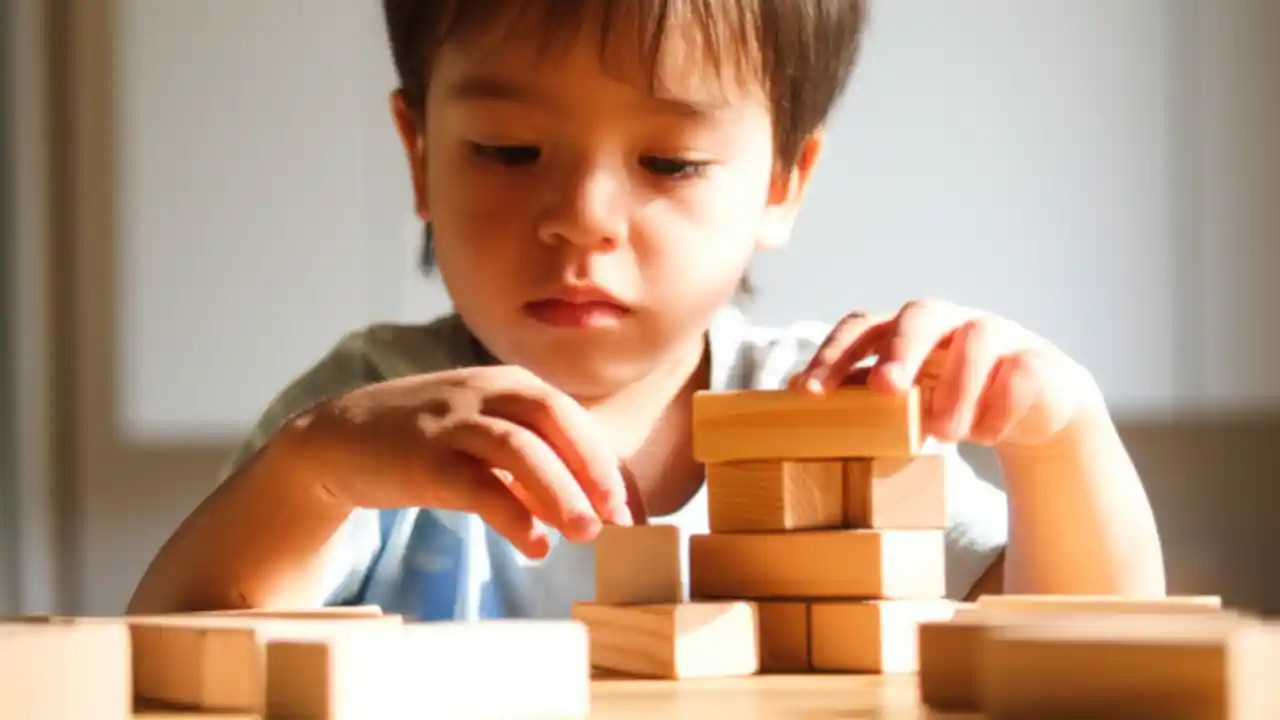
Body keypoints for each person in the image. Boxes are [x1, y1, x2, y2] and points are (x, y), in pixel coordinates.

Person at [128, 0, 1166, 620]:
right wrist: (309, 470)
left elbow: (1079, 657)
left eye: (667, 160)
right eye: (507, 151)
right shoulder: (365, 421)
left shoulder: (830, 415)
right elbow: (170, 654)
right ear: (417, 155)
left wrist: (1057, 437)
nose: (580, 220)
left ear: (780, 186)